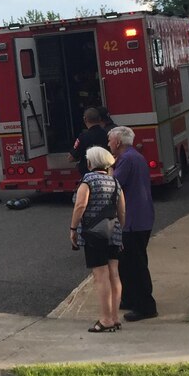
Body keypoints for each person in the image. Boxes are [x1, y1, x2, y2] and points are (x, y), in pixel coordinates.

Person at [69, 146, 126, 333]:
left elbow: (80, 205)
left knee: (100, 276)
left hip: (94, 234)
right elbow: (122, 210)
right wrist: (119, 230)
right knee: (114, 274)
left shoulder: (88, 180)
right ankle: (115, 317)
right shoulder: (115, 182)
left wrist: (73, 229)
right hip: (113, 232)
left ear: (90, 163)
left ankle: (106, 319)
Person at [109, 125, 157, 322]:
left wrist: (108, 169)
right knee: (127, 262)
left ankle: (145, 306)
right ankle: (129, 298)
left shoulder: (126, 159)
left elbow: (113, 185)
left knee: (135, 264)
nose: (108, 144)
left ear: (118, 141)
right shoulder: (134, 156)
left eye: (110, 140)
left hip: (133, 220)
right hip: (140, 217)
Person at [72, 107, 111, 177]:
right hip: (105, 173)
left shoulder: (83, 137)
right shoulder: (108, 134)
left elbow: (72, 157)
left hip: (88, 175)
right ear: (99, 119)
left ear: (85, 119)